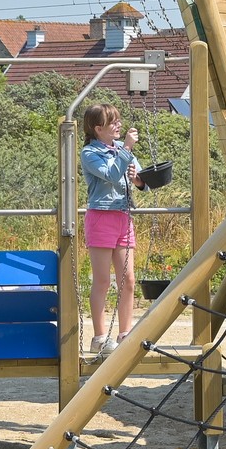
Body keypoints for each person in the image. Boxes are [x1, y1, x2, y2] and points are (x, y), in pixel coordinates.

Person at [80, 101, 142, 353]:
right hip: (101, 216)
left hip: (123, 215)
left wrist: (139, 177)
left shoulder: (120, 149)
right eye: (112, 122)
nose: (118, 125)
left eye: (118, 120)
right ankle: (99, 336)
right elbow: (111, 175)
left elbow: (137, 179)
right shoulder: (90, 153)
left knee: (128, 279)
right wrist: (126, 148)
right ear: (98, 129)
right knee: (103, 280)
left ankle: (125, 332)